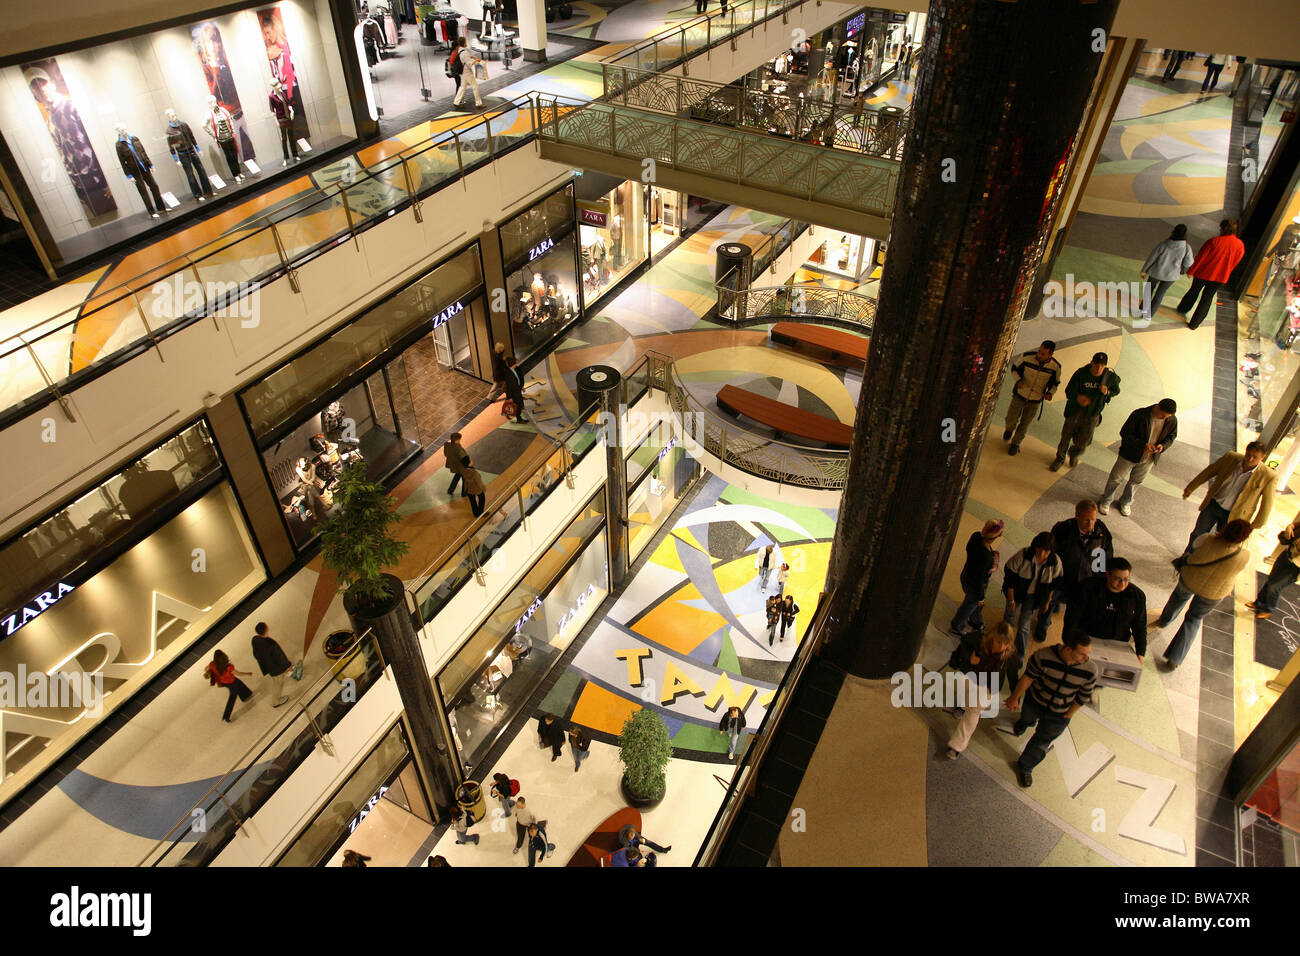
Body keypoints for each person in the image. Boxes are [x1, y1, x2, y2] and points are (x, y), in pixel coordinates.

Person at [1003, 633, 1098, 788]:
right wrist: (1014, 698)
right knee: (1027, 717)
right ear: (1069, 649)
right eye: (1082, 654)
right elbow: (1028, 678)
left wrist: (1070, 713)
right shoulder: (1043, 656)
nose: (1086, 658)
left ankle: (1025, 766)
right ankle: (1025, 722)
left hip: (1060, 713)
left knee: (1041, 743)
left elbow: (1083, 695)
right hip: (1035, 702)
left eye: (1088, 654)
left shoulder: (1090, 670)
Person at [1159, 519, 1253, 668]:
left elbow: (1194, 547)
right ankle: (1174, 659)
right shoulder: (1245, 556)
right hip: (1214, 592)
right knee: (1194, 619)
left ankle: (1165, 620)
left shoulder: (1207, 539)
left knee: (1178, 598)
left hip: (1191, 579)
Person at [1181, 442, 1275, 554]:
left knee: (1223, 542)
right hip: (1214, 504)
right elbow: (1209, 471)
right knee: (1198, 533)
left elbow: (1268, 502)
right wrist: (1191, 488)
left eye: (1255, 457)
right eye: (1248, 455)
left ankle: (1206, 560)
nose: (1250, 459)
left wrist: (1258, 522)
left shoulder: (1268, 476)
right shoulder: (1231, 458)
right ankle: (1187, 556)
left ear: (1262, 457)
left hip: (1235, 515)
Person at [1096, 399, 1178, 517]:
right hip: (1129, 455)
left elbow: (1171, 436)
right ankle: (1106, 500)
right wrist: (1143, 445)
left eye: (1167, 417)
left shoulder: (1171, 420)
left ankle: (1126, 502)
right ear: (1158, 408)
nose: (1165, 418)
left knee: (1136, 481)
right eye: (1163, 416)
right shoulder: (1140, 414)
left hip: (1149, 458)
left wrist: (1163, 446)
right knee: (1116, 478)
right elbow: (1125, 433)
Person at [945, 622, 1014, 760]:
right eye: (998, 642)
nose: (1001, 647)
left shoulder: (1009, 655)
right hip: (970, 677)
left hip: (987, 687)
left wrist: (1015, 697)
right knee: (967, 702)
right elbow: (959, 652)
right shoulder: (977, 640)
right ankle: (963, 707)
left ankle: (957, 746)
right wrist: (969, 660)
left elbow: (1013, 675)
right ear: (993, 637)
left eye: (1005, 643)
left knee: (973, 712)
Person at [1046, 500, 1114, 628]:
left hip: (1085, 581)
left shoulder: (1102, 533)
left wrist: (1098, 581)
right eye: (1087, 520)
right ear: (1077, 515)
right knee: (1049, 603)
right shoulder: (1063, 530)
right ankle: (1043, 626)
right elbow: (1051, 553)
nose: (1091, 524)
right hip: (1062, 579)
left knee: (1076, 611)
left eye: (1093, 519)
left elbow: (1105, 559)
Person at [1065, 558, 1147, 663]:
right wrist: (1069, 642)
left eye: (1126, 579)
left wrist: (1140, 652)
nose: (1122, 583)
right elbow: (1072, 617)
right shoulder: (1088, 588)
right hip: (1087, 640)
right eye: (1118, 579)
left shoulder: (1137, 596)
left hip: (1117, 644)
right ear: (1108, 574)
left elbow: (1140, 626)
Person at [1001, 531, 1063, 661]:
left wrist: (1047, 602)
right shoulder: (1023, 555)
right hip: (1016, 593)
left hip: (1034, 597)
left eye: (1047, 551)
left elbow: (1054, 584)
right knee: (1009, 619)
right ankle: (1003, 647)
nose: (1042, 554)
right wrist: (1011, 600)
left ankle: (1019, 655)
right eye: (1040, 548)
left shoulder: (1054, 561)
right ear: (1035, 546)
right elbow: (1010, 578)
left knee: (1024, 625)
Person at [1052, 352, 1120, 471]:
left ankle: (1074, 453)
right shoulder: (1081, 373)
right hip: (1075, 411)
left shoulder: (1110, 377)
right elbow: (1069, 391)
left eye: (1102, 365)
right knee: (1065, 437)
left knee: (1085, 441)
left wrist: (1107, 392)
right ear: (1091, 363)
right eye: (1096, 364)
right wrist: (1078, 397)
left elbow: (1116, 390)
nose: (1099, 368)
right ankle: (1059, 458)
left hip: (1092, 413)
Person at [1176, 219, 1246, 330]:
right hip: (1221, 277)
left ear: (1223, 229)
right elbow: (1235, 262)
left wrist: (1191, 270)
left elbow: (1201, 257)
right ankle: (1194, 323)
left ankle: (1183, 308)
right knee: (1207, 298)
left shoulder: (1214, 241)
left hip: (1204, 273)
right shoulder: (1240, 245)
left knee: (1194, 291)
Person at [1001, 340, 1061, 455]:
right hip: (1020, 395)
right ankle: (1009, 429)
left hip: (1035, 400)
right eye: (1039, 351)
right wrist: (1018, 380)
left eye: (1043, 354)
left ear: (1050, 355)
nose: (1039, 355)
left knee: (1025, 423)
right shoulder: (1026, 357)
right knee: (1011, 419)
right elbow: (1014, 368)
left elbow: (1055, 384)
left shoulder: (1056, 367)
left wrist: (1050, 393)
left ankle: (1015, 444)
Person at [949, 519, 1004, 639]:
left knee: (972, 603)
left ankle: (975, 621)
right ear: (996, 536)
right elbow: (979, 578)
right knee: (970, 604)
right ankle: (956, 626)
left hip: (966, 575)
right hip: (976, 585)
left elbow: (969, 550)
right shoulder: (986, 557)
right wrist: (981, 596)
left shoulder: (976, 536)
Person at [1248, 508, 1300, 620]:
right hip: (1287, 554)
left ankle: (1269, 609)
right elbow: (1294, 525)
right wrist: (1290, 527)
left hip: (1297, 568)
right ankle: (1259, 602)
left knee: (1275, 587)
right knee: (1271, 579)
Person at [1138, 224, 1194, 319]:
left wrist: (1144, 270)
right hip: (1171, 276)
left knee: (1149, 290)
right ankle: (1149, 315)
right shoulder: (1186, 248)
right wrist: (1182, 270)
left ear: (1173, 232)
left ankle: (1142, 309)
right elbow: (1189, 262)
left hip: (1156, 272)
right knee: (1160, 294)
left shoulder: (1164, 244)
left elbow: (1152, 258)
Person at [250, 621, 293, 707]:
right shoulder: (270, 643)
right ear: (266, 629)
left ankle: (276, 700)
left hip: (269, 667)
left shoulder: (255, 640)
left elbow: (256, 655)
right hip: (276, 669)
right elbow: (280, 657)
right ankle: (276, 702)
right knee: (278, 684)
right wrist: (288, 665)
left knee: (278, 682)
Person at [205, 649, 253, 723]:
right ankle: (226, 716)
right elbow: (238, 674)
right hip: (231, 682)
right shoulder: (228, 667)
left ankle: (246, 695)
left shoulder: (212, 664)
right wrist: (247, 673)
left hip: (223, 682)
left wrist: (210, 671)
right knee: (232, 697)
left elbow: (206, 669)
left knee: (239, 683)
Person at [450, 37, 484, 109]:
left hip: (462, 72)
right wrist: (476, 61)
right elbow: (469, 63)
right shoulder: (465, 52)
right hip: (467, 72)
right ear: (464, 43)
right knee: (475, 86)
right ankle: (478, 103)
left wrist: (471, 58)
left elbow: (465, 60)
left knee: (462, 87)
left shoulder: (460, 51)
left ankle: (456, 102)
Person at [503, 357, 527, 424]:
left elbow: (519, 378)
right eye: (516, 362)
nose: (517, 363)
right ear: (513, 364)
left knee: (519, 404)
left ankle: (517, 417)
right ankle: (519, 419)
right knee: (518, 405)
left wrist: (521, 387)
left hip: (518, 389)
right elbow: (508, 387)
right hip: (513, 392)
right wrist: (509, 397)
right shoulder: (508, 374)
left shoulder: (516, 369)